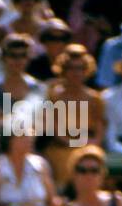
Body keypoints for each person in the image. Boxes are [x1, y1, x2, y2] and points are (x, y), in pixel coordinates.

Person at [44, 42, 104, 188]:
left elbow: (99, 129)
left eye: (80, 68)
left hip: (88, 145)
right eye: (71, 68)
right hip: (61, 146)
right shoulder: (53, 96)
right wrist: (74, 145)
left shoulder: (95, 98)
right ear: (63, 70)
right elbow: (53, 129)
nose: (76, 73)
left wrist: (89, 144)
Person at [59, 142, 122, 206]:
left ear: (102, 175)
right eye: (82, 170)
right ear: (73, 175)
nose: (89, 176)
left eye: (94, 170)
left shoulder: (117, 202)